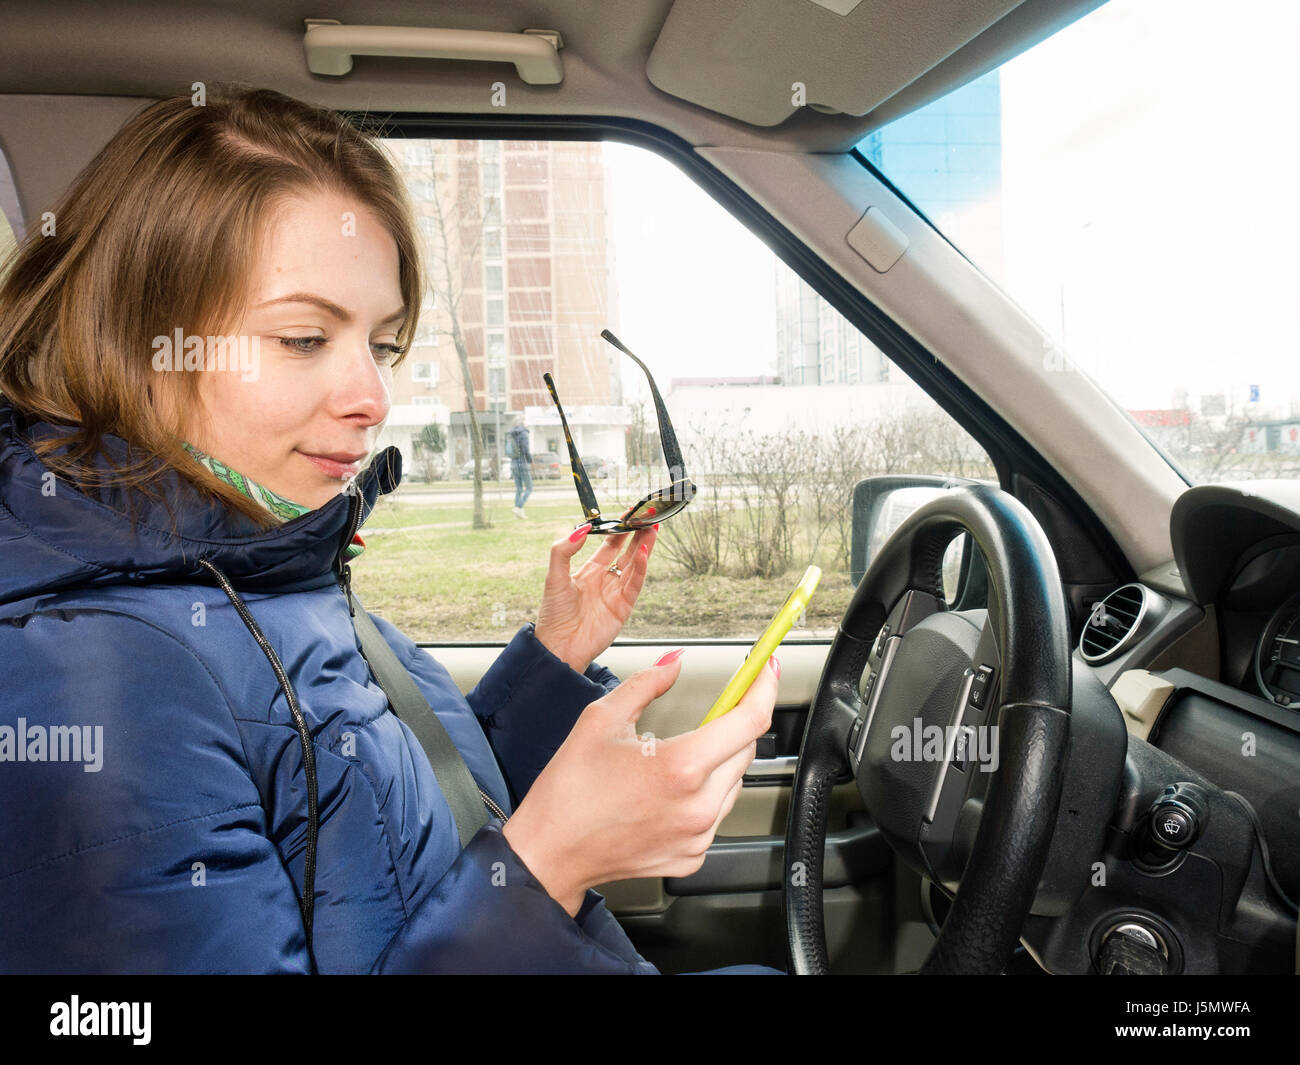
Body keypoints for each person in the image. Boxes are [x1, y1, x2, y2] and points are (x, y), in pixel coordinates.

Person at [0, 88, 779, 974]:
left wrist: (552, 667)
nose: (372, 398)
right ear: (138, 336)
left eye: (381, 342)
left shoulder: (265, 565)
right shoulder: (93, 675)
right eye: (302, 337)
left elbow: (406, 833)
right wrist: (556, 860)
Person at [508, 421, 533, 518]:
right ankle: (518, 507)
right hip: (522, 464)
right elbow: (525, 449)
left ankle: (517, 513)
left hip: (513, 464)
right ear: (524, 423)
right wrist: (530, 459)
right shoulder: (524, 433)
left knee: (519, 488)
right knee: (529, 488)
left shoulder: (512, 434)